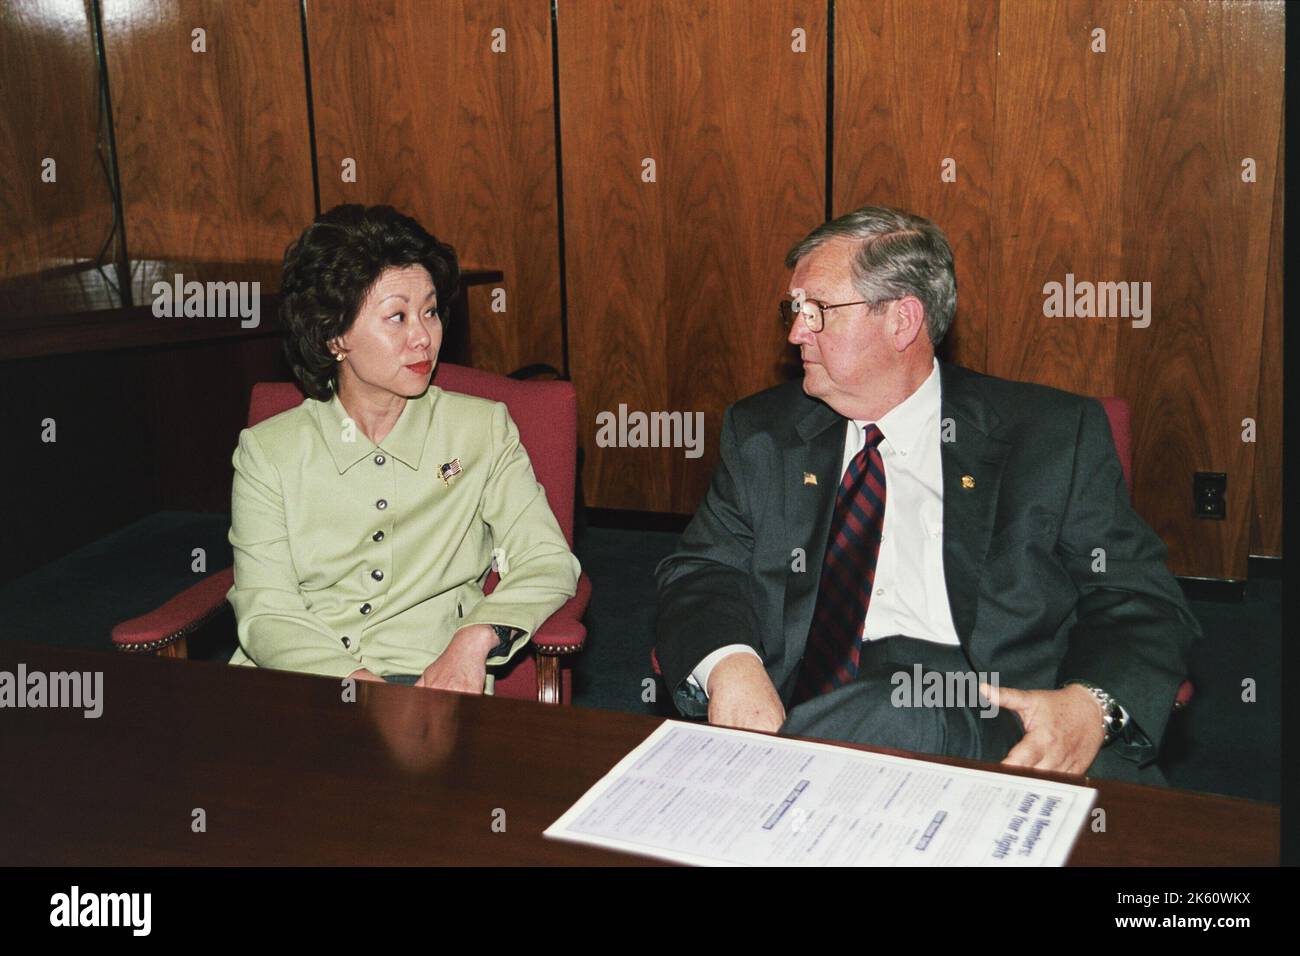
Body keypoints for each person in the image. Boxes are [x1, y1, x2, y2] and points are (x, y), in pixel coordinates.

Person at [654, 206, 1200, 785]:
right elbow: (701, 571)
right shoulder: (763, 432)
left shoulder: (1049, 435)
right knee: (880, 714)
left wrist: (1092, 704)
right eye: (794, 309)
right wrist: (732, 665)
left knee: (896, 708)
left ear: (902, 321)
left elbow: (1137, 595)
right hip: (813, 705)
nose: (796, 333)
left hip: (991, 713)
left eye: (818, 312)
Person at [227, 204, 580, 692]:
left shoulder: (481, 430)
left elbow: (547, 559)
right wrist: (354, 683)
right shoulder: (268, 452)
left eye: (430, 312)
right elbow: (266, 606)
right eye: (396, 317)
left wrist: (474, 640)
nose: (424, 337)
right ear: (334, 337)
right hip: (299, 683)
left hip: (428, 678)